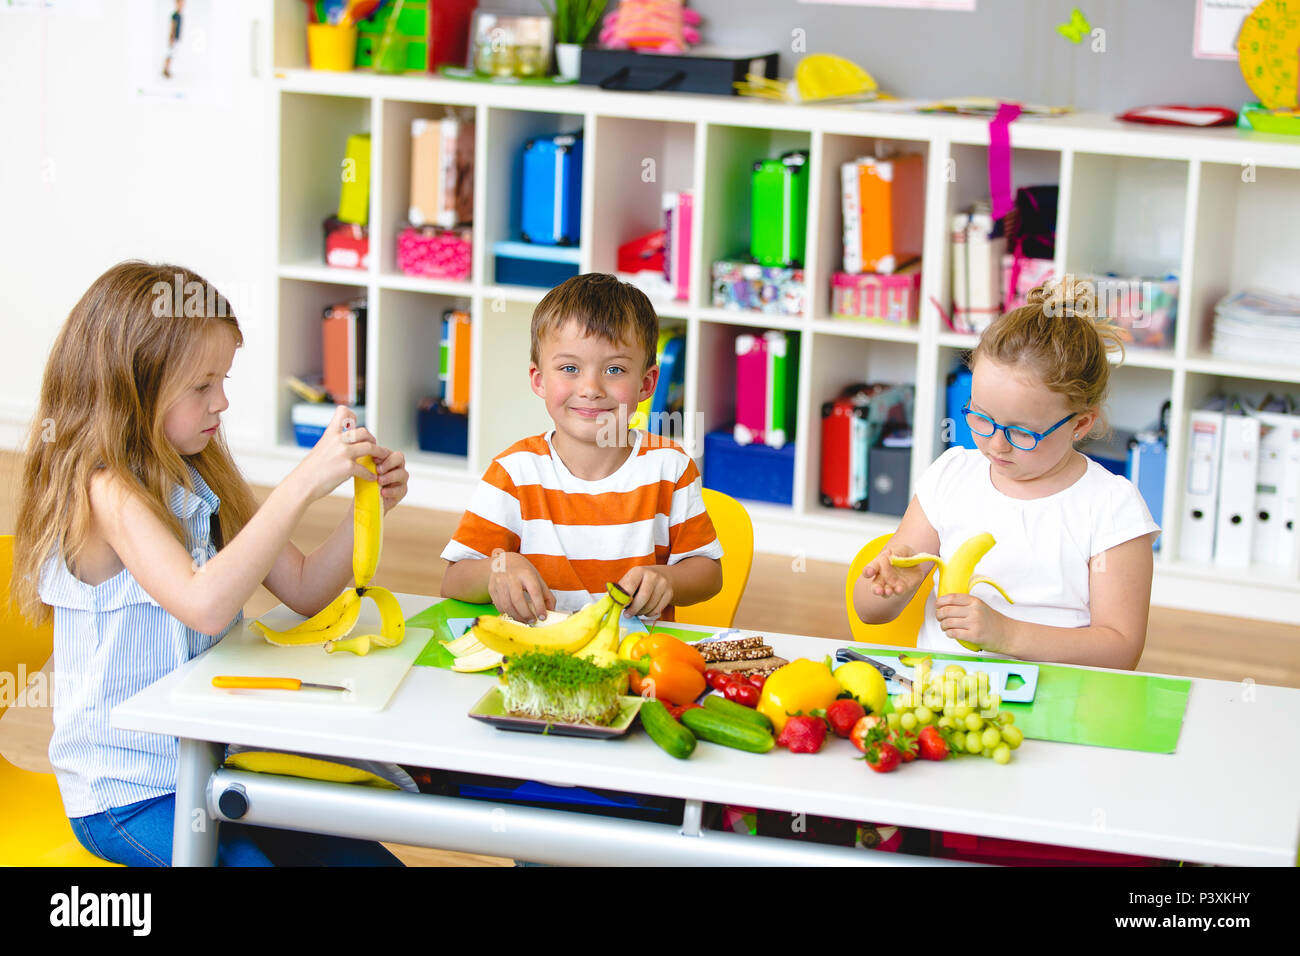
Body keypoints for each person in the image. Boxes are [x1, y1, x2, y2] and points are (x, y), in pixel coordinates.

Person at [10, 261, 411, 866]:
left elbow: (303, 588)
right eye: (202, 386)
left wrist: (369, 509)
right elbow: (204, 604)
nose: (221, 401)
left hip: (218, 770)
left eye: (223, 379)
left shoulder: (200, 473)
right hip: (130, 795)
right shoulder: (105, 492)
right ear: (134, 387)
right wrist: (300, 484)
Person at [854, 276, 1160, 669]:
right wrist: (889, 588)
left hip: (1060, 702)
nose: (996, 444)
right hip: (943, 694)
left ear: (1080, 424)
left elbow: (1120, 651)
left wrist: (1007, 634)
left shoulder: (1110, 505)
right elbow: (869, 613)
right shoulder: (952, 477)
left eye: (1021, 432)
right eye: (981, 417)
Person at [440, 272, 723, 623]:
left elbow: (709, 574)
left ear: (646, 383)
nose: (591, 388)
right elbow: (453, 580)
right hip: (535, 653)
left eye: (615, 369)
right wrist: (499, 566)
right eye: (570, 368)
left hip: (641, 660)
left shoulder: (670, 467)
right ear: (539, 380)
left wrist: (669, 579)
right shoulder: (514, 471)